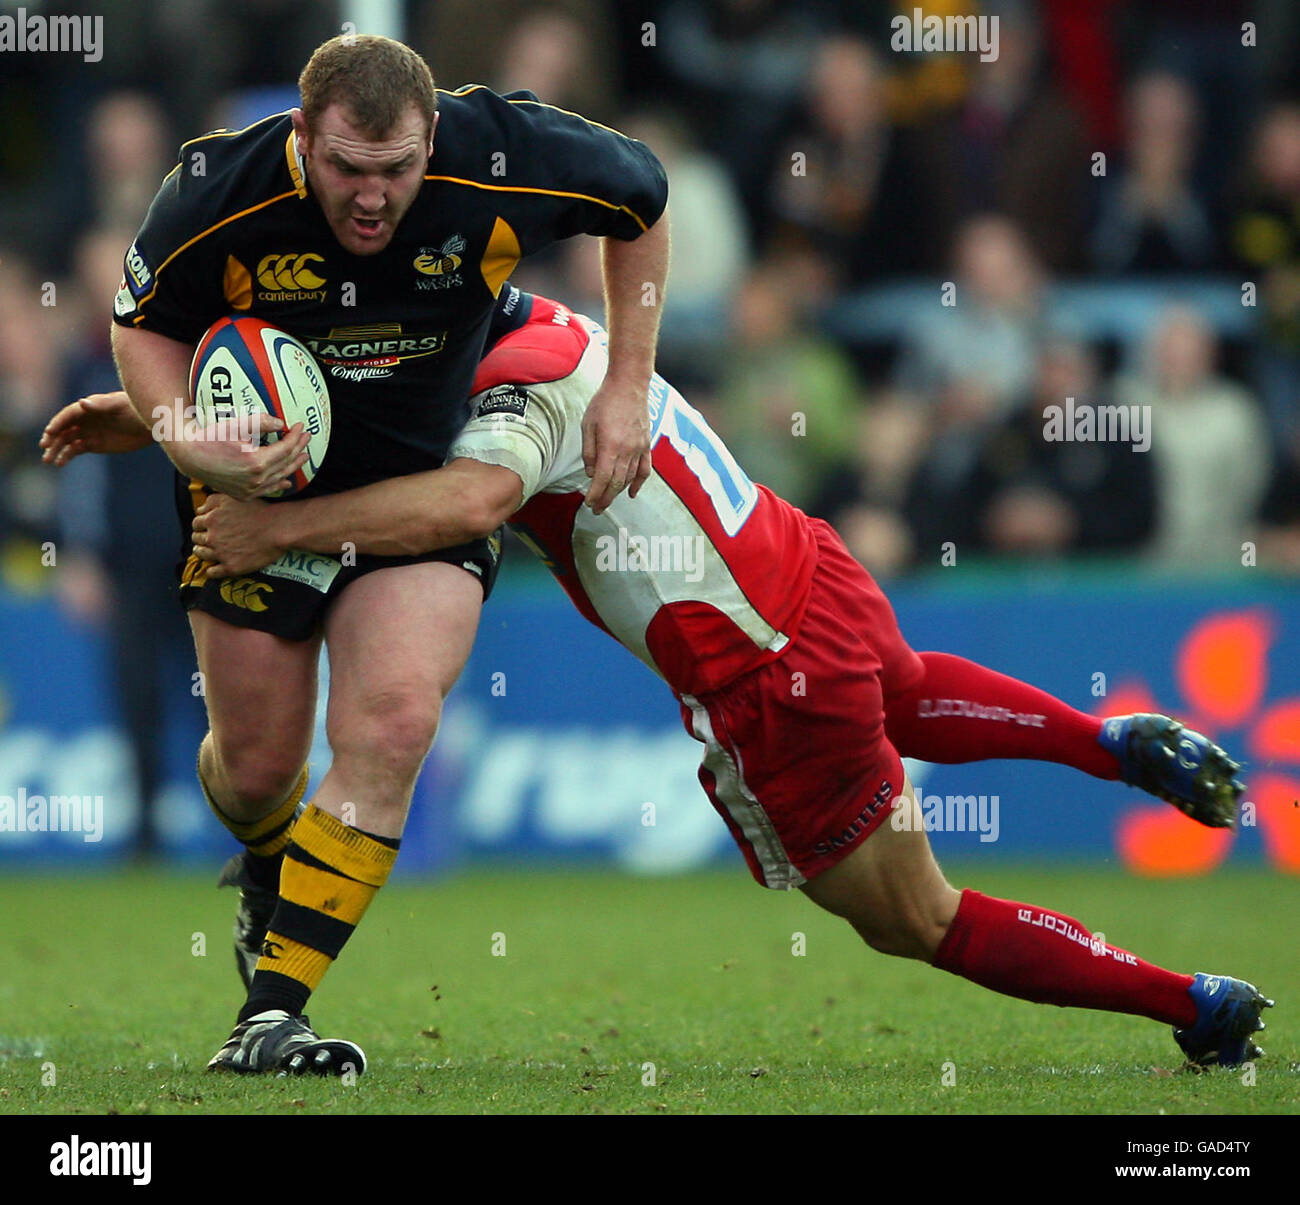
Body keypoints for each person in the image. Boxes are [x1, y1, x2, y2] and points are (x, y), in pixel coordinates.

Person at [47, 285, 1272, 1071]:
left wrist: (267, 529)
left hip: (760, 676)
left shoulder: (502, 406)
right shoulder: (542, 317)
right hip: (807, 566)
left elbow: (463, 495)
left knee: (918, 918)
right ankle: (1106, 742)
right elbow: (368, 386)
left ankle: (1192, 1001)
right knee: (896, 684)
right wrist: (152, 415)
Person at [98, 33, 669, 1075]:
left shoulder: (500, 152)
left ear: (433, 138)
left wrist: (629, 381)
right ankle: (267, 858)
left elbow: (643, 200)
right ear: (303, 137)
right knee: (255, 771)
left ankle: (272, 1014)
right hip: (258, 490)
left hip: (416, 495)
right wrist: (181, 431)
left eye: (397, 170)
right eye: (348, 170)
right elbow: (140, 325)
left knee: (397, 718)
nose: (372, 198)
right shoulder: (215, 187)